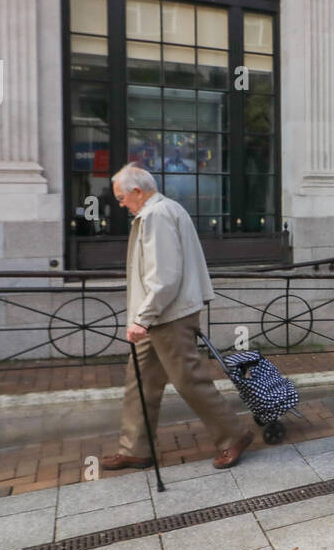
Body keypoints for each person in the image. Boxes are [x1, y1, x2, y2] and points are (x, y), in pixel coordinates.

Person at [104, 165, 253, 472]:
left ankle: (233, 436)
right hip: (160, 314)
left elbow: (165, 277)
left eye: (121, 197)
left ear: (137, 191)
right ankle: (135, 448)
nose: (120, 204)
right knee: (140, 382)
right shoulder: (163, 211)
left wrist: (142, 318)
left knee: (188, 380)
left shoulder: (157, 215)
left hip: (167, 315)